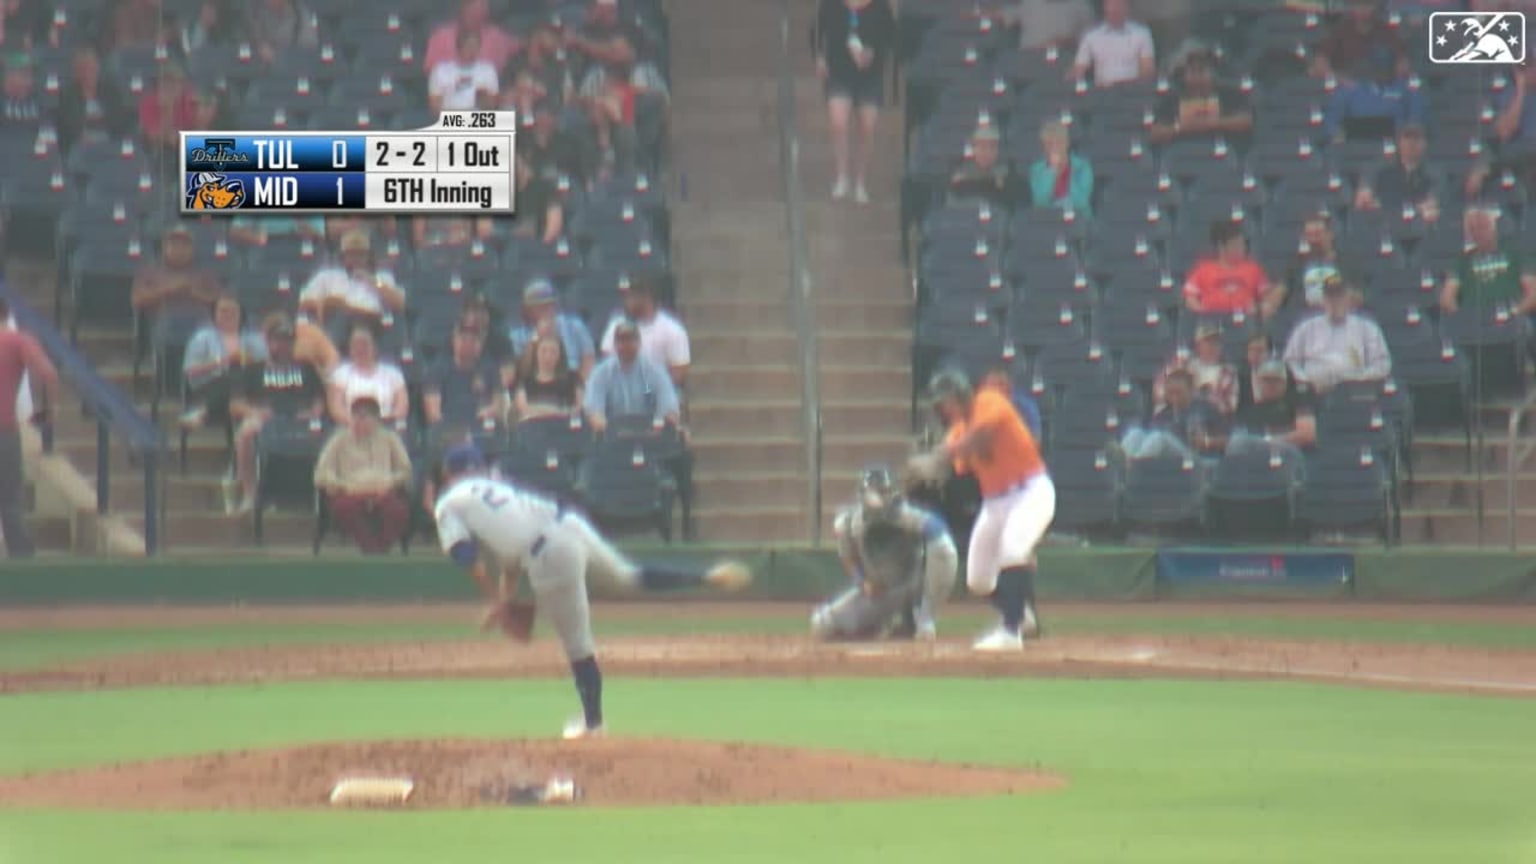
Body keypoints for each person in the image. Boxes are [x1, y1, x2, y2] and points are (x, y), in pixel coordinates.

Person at [431, 442, 751, 738]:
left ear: (449, 474)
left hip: (549, 554)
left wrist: (496, 603)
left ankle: (593, 723)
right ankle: (704, 576)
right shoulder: (499, 486)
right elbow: (511, 561)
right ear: (478, 469)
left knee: (578, 645)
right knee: (627, 576)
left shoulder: (449, 503)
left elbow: (464, 555)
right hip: (570, 525)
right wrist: (503, 600)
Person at [906, 369, 1053, 651]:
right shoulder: (957, 431)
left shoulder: (989, 400)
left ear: (960, 394)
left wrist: (942, 454)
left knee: (1013, 549)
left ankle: (1011, 632)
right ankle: (1022, 615)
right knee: (979, 579)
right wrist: (929, 470)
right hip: (996, 502)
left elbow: (981, 438)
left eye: (945, 400)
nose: (942, 408)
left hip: (1031, 490)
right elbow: (958, 460)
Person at [810, 465, 959, 641]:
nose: (879, 497)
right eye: (875, 491)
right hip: (880, 590)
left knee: (943, 547)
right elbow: (848, 557)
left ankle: (922, 617)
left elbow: (939, 532)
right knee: (822, 624)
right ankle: (876, 625)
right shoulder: (849, 521)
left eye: (884, 491)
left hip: (912, 584)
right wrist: (862, 582)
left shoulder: (906, 513)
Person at [228, 317, 326, 515]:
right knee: (245, 433)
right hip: (266, 419)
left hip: (300, 419)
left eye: (287, 341)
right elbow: (235, 404)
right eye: (277, 340)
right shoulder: (254, 370)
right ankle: (250, 494)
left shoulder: (306, 368)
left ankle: (319, 496)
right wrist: (254, 412)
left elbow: (320, 400)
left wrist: (314, 412)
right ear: (268, 342)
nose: (282, 345)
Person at [813, 0, 896, 203]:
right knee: (838, 123)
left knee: (867, 128)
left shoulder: (880, 7)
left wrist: (873, 52)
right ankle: (842, 177)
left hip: (870, 76)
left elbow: (892, 38)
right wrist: (819, 57)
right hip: (839, 72)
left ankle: (860, 182)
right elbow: (816, 32)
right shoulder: (830, 5)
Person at [314, 396, 412, 554]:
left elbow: (405, 470)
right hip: (350, 491)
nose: (358, 423)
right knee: (345, 508)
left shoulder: (390, 439)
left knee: (397, 511)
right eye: (355, 418)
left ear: (376, 420)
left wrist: (390, 483)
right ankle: (371, 550)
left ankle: (380, 550)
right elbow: (321, 474)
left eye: (364, 418)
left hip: (382, 490)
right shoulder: (338, 440)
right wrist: (342, 486)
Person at [0, 297, 56, 559]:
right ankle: (22, 558)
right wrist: (46, 409)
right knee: (9, 500)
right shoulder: (19, 340)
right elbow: (48, 373)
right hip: (4, 430)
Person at [1284, 276, 1392, 393]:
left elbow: (1382, 364)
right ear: (1323, 300)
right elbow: (1290, 362)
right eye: (1330, 297)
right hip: (1313, 389)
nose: (1335, 302)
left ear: (1348, 299)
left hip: (1353, 390)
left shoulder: (1367, 328)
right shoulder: (1306, 328)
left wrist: (1360, 380)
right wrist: (1306, 380)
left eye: (1339, 297)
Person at [297, 230, 406, 343]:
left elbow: (400, 303)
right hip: (334, 322)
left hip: (370, 324)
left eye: (360, 254)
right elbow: (304, 303)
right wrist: (325, 304)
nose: (356, 258)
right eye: (351, 254)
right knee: (338, 317)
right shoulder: (327, 276)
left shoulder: (381, 277)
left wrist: (372, 281)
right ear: (343, 256)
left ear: (369, 256)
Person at [180, 295, 266, 429]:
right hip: (209, 386)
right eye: (223, 311)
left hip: (247, 388)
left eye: (233, 311)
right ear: (214, 314)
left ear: (241, 314)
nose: (228, 315)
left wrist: (250, 361)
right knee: (233, 376)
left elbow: (265, 364)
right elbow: (190, 370)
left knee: (241, 377)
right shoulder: (203, 337)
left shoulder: (254, 338)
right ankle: (252, 414)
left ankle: (205, 412)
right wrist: (222, 361)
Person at [583, 319, 679, 433]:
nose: (626, 346)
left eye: (630, 340)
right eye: (621, 341)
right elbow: (594, 412)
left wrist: (664, 422)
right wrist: (602, 425)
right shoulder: (600, 373)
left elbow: (669, 409)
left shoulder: (655, 372)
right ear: (614, 344)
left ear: (639, 343)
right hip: (612, 437)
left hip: (649, 435)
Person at [1439, 207, 1536, 319]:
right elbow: (1447, 297)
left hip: (1510, 317)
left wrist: (1516, 312)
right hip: (1475, 322)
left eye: (1483, 226)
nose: (1478, 232)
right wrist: (1462, 317)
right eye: (1473, 229)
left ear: (1494, 227)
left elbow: (1533, 293)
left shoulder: (1516, 253)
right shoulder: (1462, 260)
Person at [1147, 45, 1251, 146]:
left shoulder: (1229, 94)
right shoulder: (1172, 99)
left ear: (1212, 73)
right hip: (1184, 152)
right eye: (1192, 71)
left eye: (1201, 70)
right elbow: (1154, 134)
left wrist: (1213, 123)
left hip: (1220, 148)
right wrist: (1181, 127)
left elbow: (1245, 121)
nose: (1197, 77)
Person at [1119, 368, 1227, 461]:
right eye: (1170, 392)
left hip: (1197, 458)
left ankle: (1134, 466)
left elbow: (1229, 440)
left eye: (1178, 392)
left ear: (1191, 391)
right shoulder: (1164, 414)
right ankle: (1122, 463)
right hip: (1169, 457)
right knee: (1135, 433)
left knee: (1160, 437)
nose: (1174, 396)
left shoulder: (1206, 408)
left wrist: (1207, 441)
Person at [599, 278, 689, 387]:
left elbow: (678, 371)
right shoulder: (616, 325)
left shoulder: (672, 330)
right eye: (624, 296)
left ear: (646, 297)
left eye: (630, 295)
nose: (625, 300)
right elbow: (607, 362)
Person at [1182, 220, 1278, 317]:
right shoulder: (1203, 270)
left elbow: (1267, 296)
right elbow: (1190, 297)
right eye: (1235, 245)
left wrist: (1258, 309)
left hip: (1245, 321)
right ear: (1221, 247)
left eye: (1242, 244)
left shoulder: (1253, 269)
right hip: (1213, 321)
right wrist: (1202, 312)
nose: (1241, 248)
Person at [423, 321, 504, 430]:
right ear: (454, 342)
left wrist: (491, 411)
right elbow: (433, 414)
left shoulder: (490, 368)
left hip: (482, 426)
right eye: (463, 339)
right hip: (449, 430)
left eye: (474, 340)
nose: (468, 344)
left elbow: (498, 404)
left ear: (481, 344)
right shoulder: (437, 369)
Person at [508, 278, 595, 379]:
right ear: (527, 310)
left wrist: (578, 386)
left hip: (571, 383)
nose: (546, 310)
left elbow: (589, 359)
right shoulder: (517, 336)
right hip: (535, 387)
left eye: (549, 305)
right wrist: (536, 338)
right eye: (539, 307)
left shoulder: (574, 326)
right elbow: (522, 371)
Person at [1354, 124, 1442, 221]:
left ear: (1425, 144)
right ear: (1399, 142)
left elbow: (1434, 199)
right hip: (1386, 222)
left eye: (1416, 139)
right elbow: (1367, 190)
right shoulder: (1381, 169)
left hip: (1420, 225)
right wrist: (1366, 194)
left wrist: (1430, 204)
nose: (1411, 143)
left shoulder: (1434, 173)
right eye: (1407, 138)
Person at [328, 324, 409, 426]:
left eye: (365, 344)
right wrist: (358, 424)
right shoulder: (341, 374)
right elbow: (337, 408)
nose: (360, 349)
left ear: (374, 347)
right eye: (356, 345)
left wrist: (383, 423)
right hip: (351, 427)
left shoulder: (393, 373)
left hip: (386, 427)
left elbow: (401, 407)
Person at [1230, 359, 1317, 453]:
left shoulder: (1298, 403)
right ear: (1258, 383)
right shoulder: (1248, 409)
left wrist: (1263, 444)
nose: (1271, 384)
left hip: (1288, 456)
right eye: (1266, 380)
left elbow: (1306, 435)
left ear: (1286, 382)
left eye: (1276, 380)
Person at [1152, 324, 1238, 415]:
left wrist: (1204, 397)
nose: (1212, 347)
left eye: (1216, 343)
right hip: (1173, 416)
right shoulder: (1179, 365)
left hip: (1209, 421)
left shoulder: (1228, 372)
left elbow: (1230, 406)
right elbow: (1159, 394)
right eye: (1207, 342)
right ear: (1197, 345)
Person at [1072, 0, 1154, 88]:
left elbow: (1147, 68)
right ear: (1105, 8)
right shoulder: (1091, 36)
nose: (1115, 10)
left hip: (1133, 91)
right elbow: (1079, 68)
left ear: (1127, 8)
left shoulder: (1141, 33)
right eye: (1111, 6)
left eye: (1119, 5)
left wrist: (1140, 85)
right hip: (1103, 91)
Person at [423, 0, 519, 75]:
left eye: (483, 6)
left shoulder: (496, 36)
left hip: (488, 93)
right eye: (474, 6)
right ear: (463, 7)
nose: (480, 11)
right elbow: (430, 70)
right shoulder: (441, 37)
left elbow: (523, 45)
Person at [1281, 213, 1346, 312]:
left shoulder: (1346, 263)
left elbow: (1357, 295)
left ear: (1330, 234)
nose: (1314, 240)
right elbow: (1281, 290)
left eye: (1318, 234)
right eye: (1309, 235)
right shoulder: (1296, 265)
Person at [1028, 119, 1093, 215]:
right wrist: (1051, 171)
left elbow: (1080, 202)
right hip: (1047, 220)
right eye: (1049, 143)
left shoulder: (1082, 167)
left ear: (1067, 143)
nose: (1054, 148)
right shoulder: (1036, 169)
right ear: (1043, 146)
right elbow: (1040, 202)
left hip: (1077, 218)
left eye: (1058, 142)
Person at [514, 331, 583, 420]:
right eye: (543, 351)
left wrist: (543, 410)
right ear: (536, 353)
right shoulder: (525, 380)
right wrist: (557, 411)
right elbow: (524, 409)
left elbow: (578, 408)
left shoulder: (573, 378)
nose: (548, 356)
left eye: (553, 352)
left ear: (560, 355)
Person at [429, 27, 499, 112]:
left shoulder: (488, 70)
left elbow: (494, 104)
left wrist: (484, 97)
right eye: (469, 45)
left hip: (478, 118)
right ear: (459, 46)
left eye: (476, 46)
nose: (472, 50)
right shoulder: (441, 70)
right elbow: (434, 105)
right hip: (450, 118)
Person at [948, 121, 1010, 207]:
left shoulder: (1007, 173)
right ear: (973, 149)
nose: (988, 152)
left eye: (992, 147)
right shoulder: (960, 172)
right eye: (983, 147)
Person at [979, 364, 1042, 440]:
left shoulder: (1025, 407)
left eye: (1000, 384)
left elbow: (1034, 440)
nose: (994, 389)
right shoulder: (978, 407)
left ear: (1009, 387)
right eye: (990, 385)